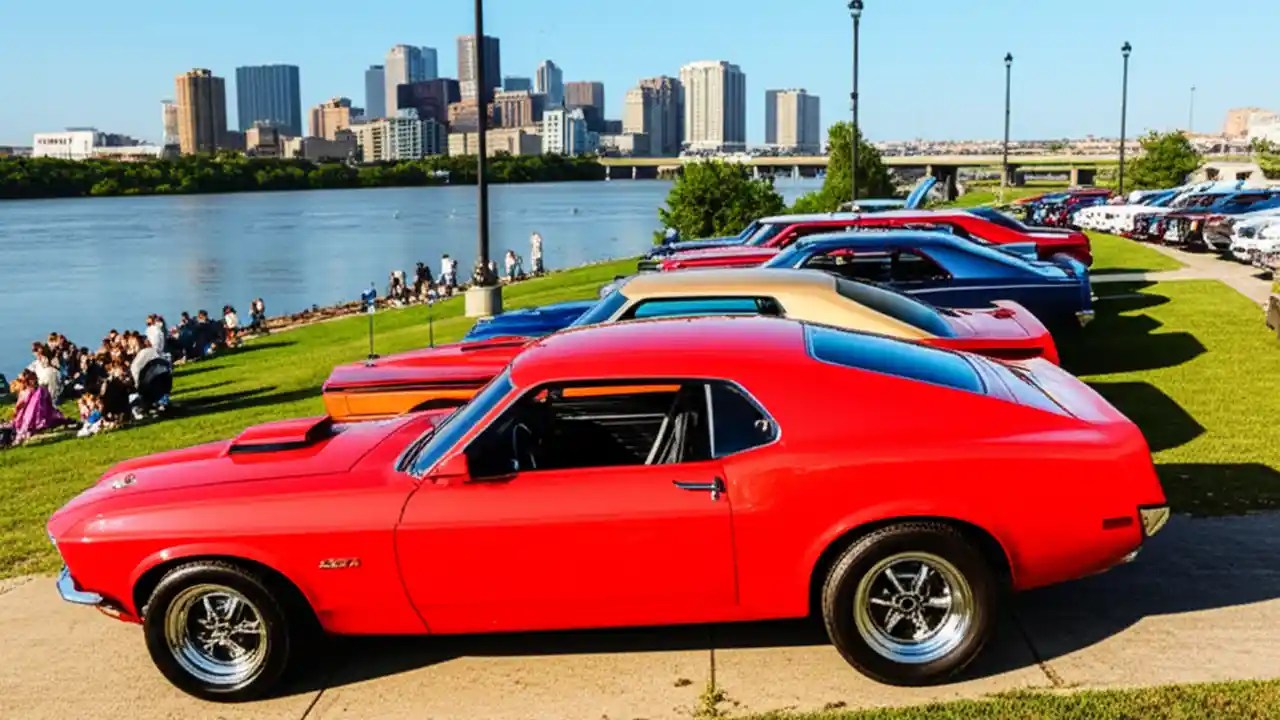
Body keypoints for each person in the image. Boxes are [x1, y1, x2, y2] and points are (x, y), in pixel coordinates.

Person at [3, 370, 66, 444]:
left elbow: (18, 407)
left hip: (31, 420)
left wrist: (16, 413)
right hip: (43, 417)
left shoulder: (28, 392)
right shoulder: (41, 390)